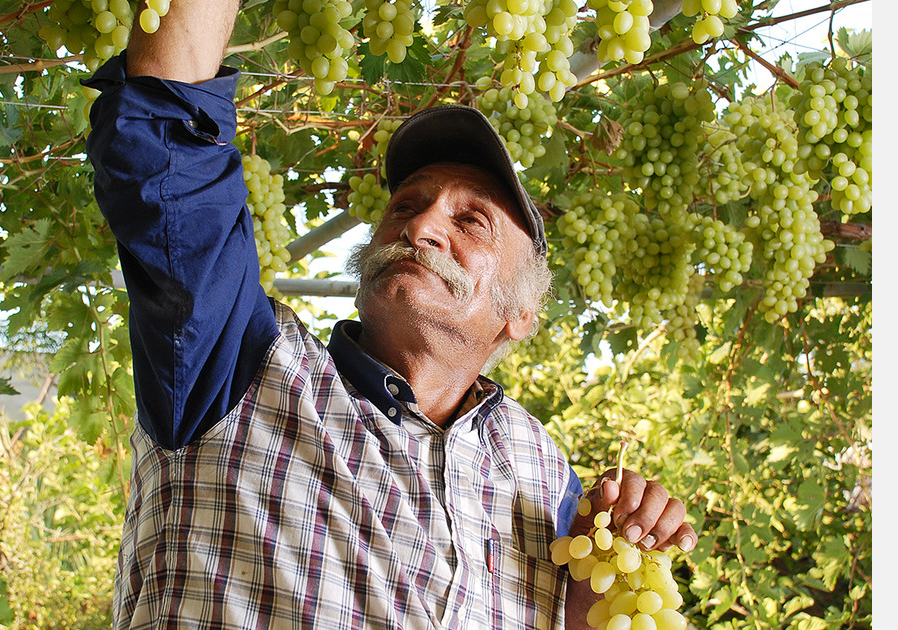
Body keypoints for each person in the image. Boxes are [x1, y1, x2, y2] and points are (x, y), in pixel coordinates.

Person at [83, 1, 697, 628]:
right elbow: (166, 141)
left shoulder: (544, 477)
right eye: (405, 206)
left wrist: (600, 588)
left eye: (470, 221)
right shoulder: (238, 363)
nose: (423, 225)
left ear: (522, 313)